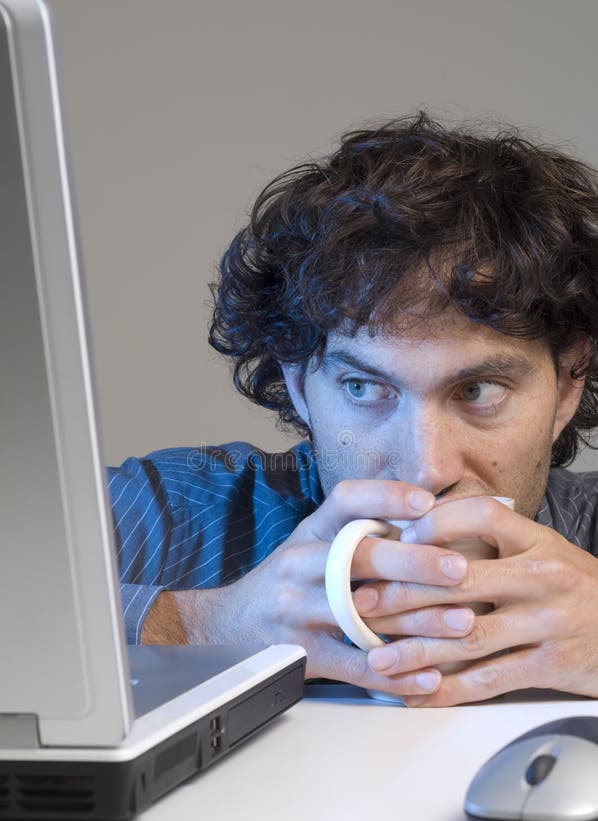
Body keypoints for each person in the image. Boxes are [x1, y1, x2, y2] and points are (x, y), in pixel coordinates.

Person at [109, 111, 598, 707]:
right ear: (297, 384)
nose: (426, 470)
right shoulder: (169, 515)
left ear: (568, 386)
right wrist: (198, 627)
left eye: (478, 391)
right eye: (365, 389)